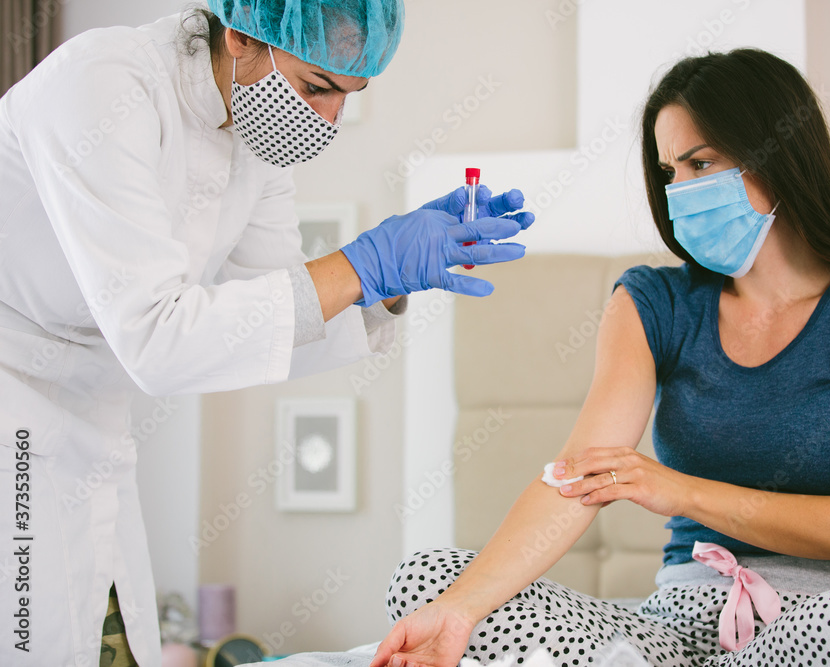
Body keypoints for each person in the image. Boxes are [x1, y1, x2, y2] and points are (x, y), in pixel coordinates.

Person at [370, 49, 830, 667]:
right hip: (674, 628)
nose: (680, 193)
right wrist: (461, 610)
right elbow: (577, 478)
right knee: (428, 583)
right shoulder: (653, 302)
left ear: (779, 154)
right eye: (669, 172)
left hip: (820, 629)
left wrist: (681, 492)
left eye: (701, 163)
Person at [0, 1, 534, 665]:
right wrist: (364, 261)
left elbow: (284, 319)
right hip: (15, 409)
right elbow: (158, 341)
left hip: (94, 426)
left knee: (105, 641)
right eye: (316, 87)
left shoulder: (253, 140)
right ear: (241, 35)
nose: (329, 118)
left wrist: (387, 281)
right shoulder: (103, 87)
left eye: (349, 94)